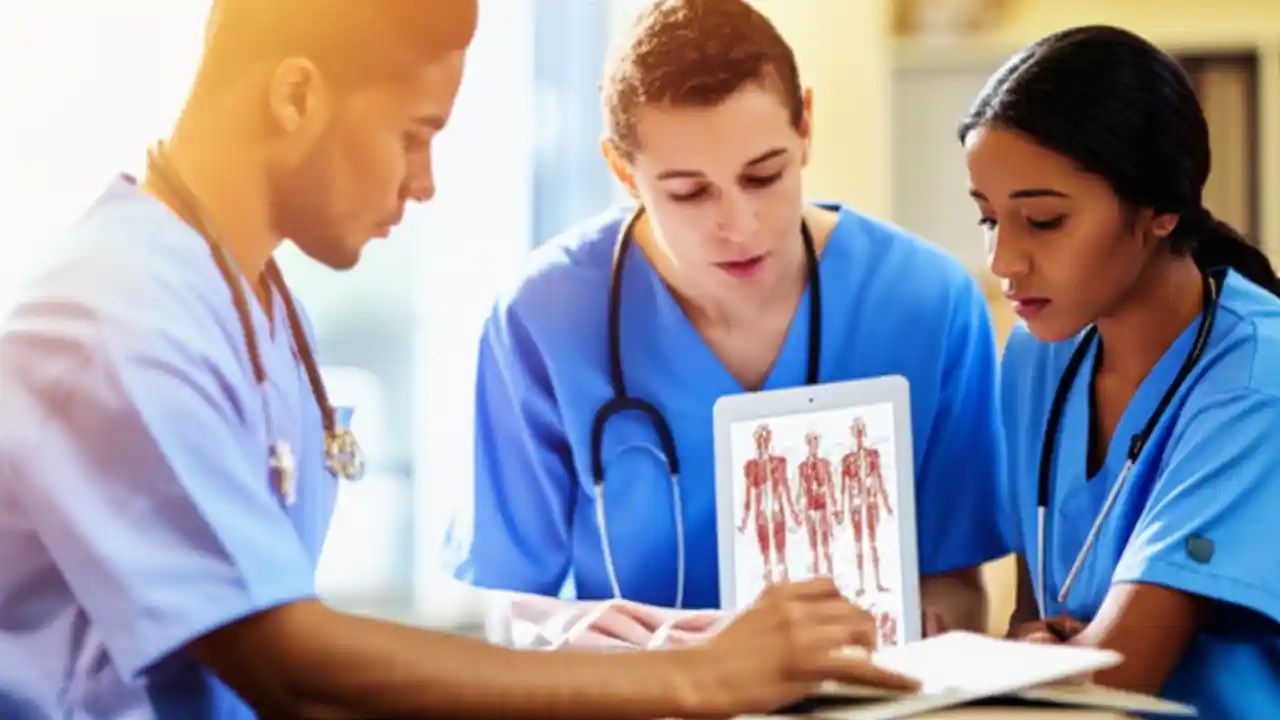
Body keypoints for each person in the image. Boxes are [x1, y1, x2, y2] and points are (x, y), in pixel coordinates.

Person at [0, 1, 921, 718]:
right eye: (415, 132)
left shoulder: (245, 298)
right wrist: (703, 681)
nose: (425, 180)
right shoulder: (112, 316)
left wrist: (668, 657)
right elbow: (295, 674)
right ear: (295, 96)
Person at [453, 0, 1008, 634]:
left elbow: (957, 584)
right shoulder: (542, 320)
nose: (739, 226)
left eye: (764, 175)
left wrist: (925, 640)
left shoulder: (927, 304)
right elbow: (513, 605)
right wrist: (576, 645)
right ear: (622, 170)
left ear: (806, 128)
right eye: (689, 192)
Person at [962, 24, 1280, 716]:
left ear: (1160, 210)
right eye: (988, 219)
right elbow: (1031, 622)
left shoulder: (1258, 381)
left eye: (1042, 221)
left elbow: (1118, 674)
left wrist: (1054, 662)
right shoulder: (1035, 354)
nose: (1003, 261)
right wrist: (1038, 648)